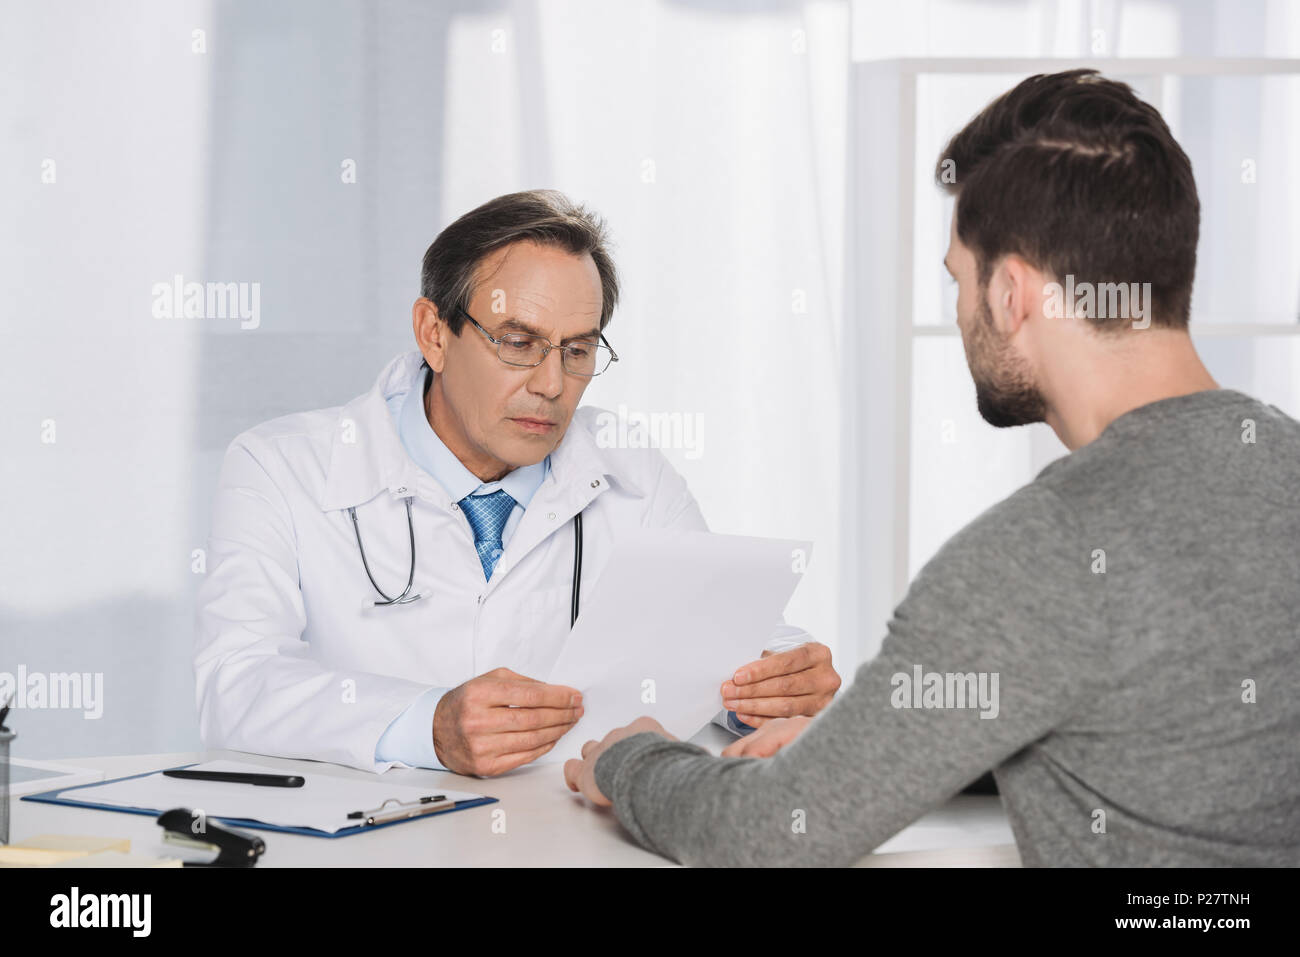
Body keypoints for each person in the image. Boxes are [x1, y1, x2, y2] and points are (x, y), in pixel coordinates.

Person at [563, 71, 1300, 866]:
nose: (957, 311)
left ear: (1011, 292)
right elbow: (1188, 737)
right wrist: (884, 745)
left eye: (958, 278)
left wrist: (629, 757)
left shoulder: (1043, 552)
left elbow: (766, 834)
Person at [194, 189, 841, 777]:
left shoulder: (628, 466)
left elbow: (721, 631)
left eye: (577, 350)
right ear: (433, 334)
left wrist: (777, 682)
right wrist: (425, 724)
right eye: (517, 341)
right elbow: (236, 682)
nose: (552, 384)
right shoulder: (280, 466)